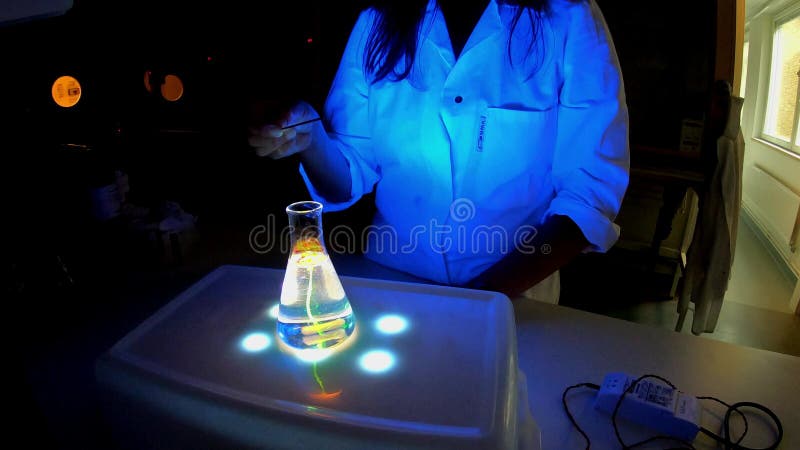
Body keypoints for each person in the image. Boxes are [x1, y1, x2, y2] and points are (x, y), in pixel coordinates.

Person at [249, 0, 629, 303]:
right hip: (390, 287)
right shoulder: (379, 21)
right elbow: (346, 178)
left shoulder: (567, 19)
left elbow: (589, 199)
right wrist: (312, 138)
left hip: (515, 303)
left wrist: (480, 300)